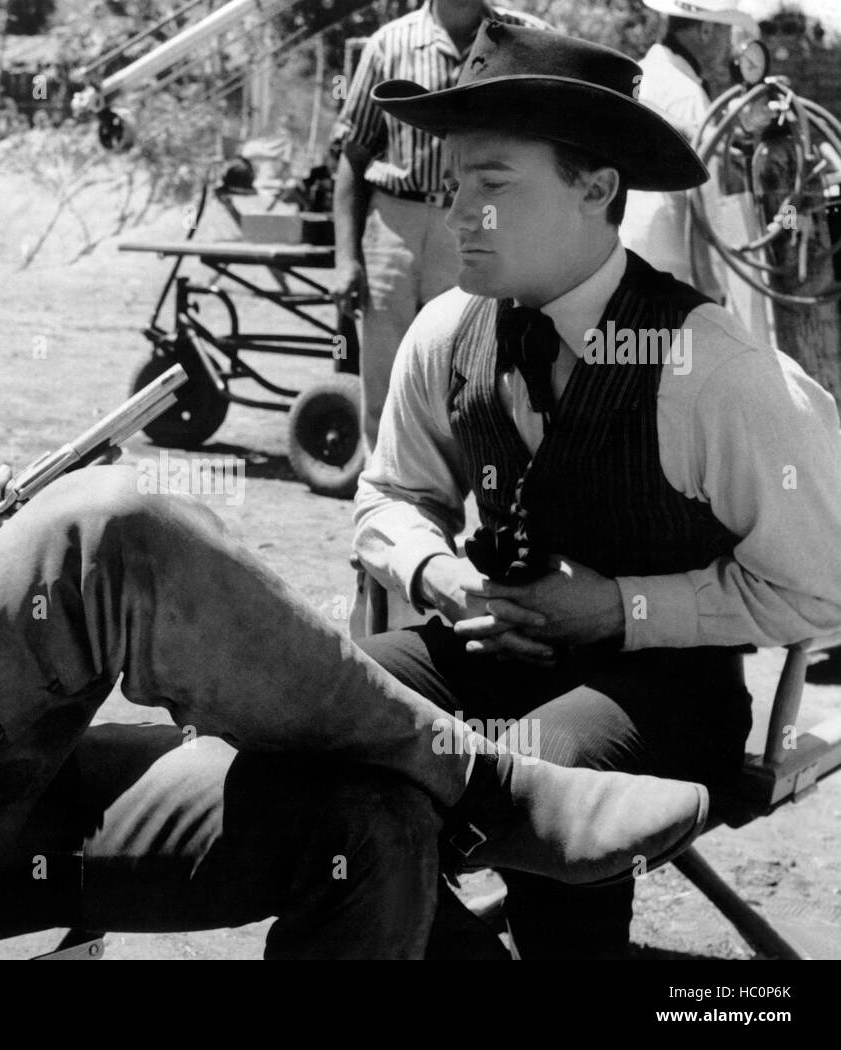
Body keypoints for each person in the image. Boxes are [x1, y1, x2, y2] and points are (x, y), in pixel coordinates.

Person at [0, 57, 709, 959]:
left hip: (13, 787)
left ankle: (456, 784)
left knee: (368, 822)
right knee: (112, 527)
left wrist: (8, 546)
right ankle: (500, 785)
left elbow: (8, 539)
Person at [355, 21, 841, 958]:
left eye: (493, 185)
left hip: (670, 694)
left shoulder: (715, 372)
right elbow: (389, 497)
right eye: (454, 185)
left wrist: (619, 609)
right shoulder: (447, 333)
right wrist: (436, 576)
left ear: (596, 187)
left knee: (541, 779)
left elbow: (824, 584)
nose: (458, 214)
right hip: (492, 654)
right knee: (331, 707)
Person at [330, 0, 550, 451]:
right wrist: (345, 258)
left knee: (469, 372)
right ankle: (383, 500)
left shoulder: (521, 38)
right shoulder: (389, 44)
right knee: (386, 378)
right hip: (395, 221)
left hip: (481, 220)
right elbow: (353, 157)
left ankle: (471, 505)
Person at [618, 0, 756, 301]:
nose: (727, 46)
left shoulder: (641, 75)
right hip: (670, 272)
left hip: (624, 259)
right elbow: (705, 208)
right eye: (725, 33)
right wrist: (713, 292)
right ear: (706, 30)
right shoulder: (686, 95)